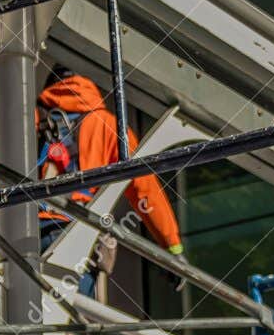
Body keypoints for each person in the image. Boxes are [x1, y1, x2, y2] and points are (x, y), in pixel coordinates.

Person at [36, 64, 184, 295]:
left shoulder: (28, 120)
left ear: (50, 88)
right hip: (73, 231)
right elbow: (144, 188)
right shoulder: (108, 124)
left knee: (14, 312)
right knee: (69, 320)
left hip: (22, 230)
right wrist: (171, 246)